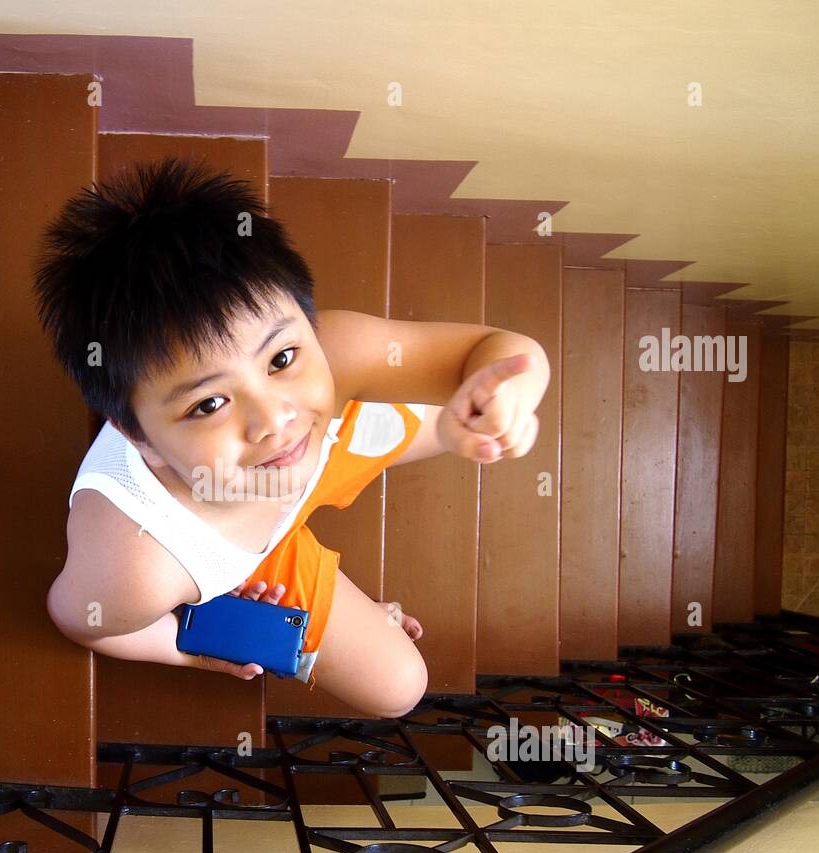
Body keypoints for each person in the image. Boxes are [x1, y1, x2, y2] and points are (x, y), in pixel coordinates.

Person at [38, 157, 548, 718]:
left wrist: (501, 400)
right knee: (399, 687)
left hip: (322, 437)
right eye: (208, 403)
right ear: (140, 439)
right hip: (234, 558)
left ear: (309, 325)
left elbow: (501, 351)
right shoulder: (141, 565)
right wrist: (190, 651)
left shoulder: (335, 357)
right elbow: (81, 622)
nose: (273, 419)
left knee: (451, 417)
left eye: (281, 358)